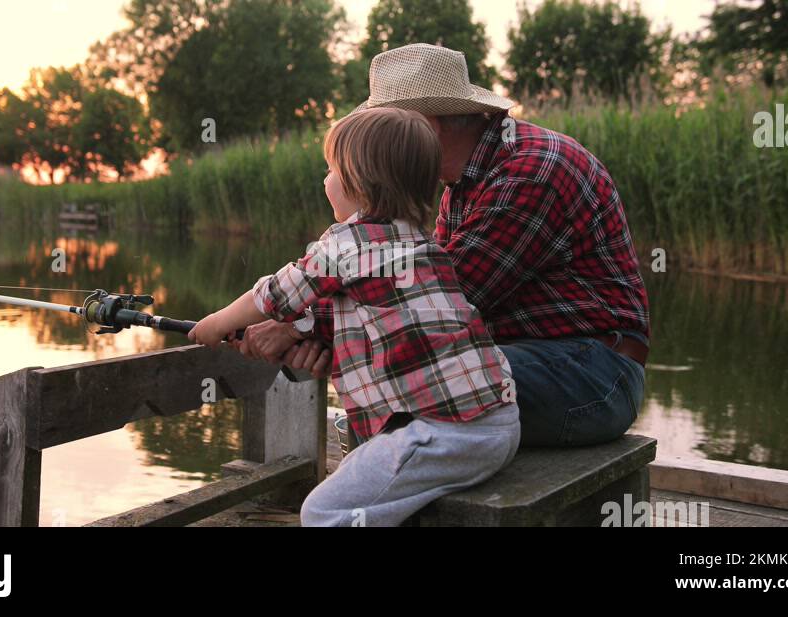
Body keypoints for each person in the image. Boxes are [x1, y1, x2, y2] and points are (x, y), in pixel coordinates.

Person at [238, 43, 650, 448]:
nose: (377, 153)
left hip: (592, 376)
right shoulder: (465, 178)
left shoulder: (528, 173)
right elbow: (411, 291)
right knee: (394, 373)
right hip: (538, 362)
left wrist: (296, 324)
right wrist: (321, 334)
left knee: (405, 383)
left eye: (389, 133)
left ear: (427, 128)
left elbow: (442, 300)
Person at [189, 107, 520, 526]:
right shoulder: (421, 242)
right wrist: (303, 330)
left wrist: (216, 323)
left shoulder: (346, 244)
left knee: (323, 510)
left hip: (446, 434)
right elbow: (361, 317)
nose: (324, 179)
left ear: (357, 181)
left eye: (330, 169)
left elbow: (275, 294)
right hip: (498, 424)